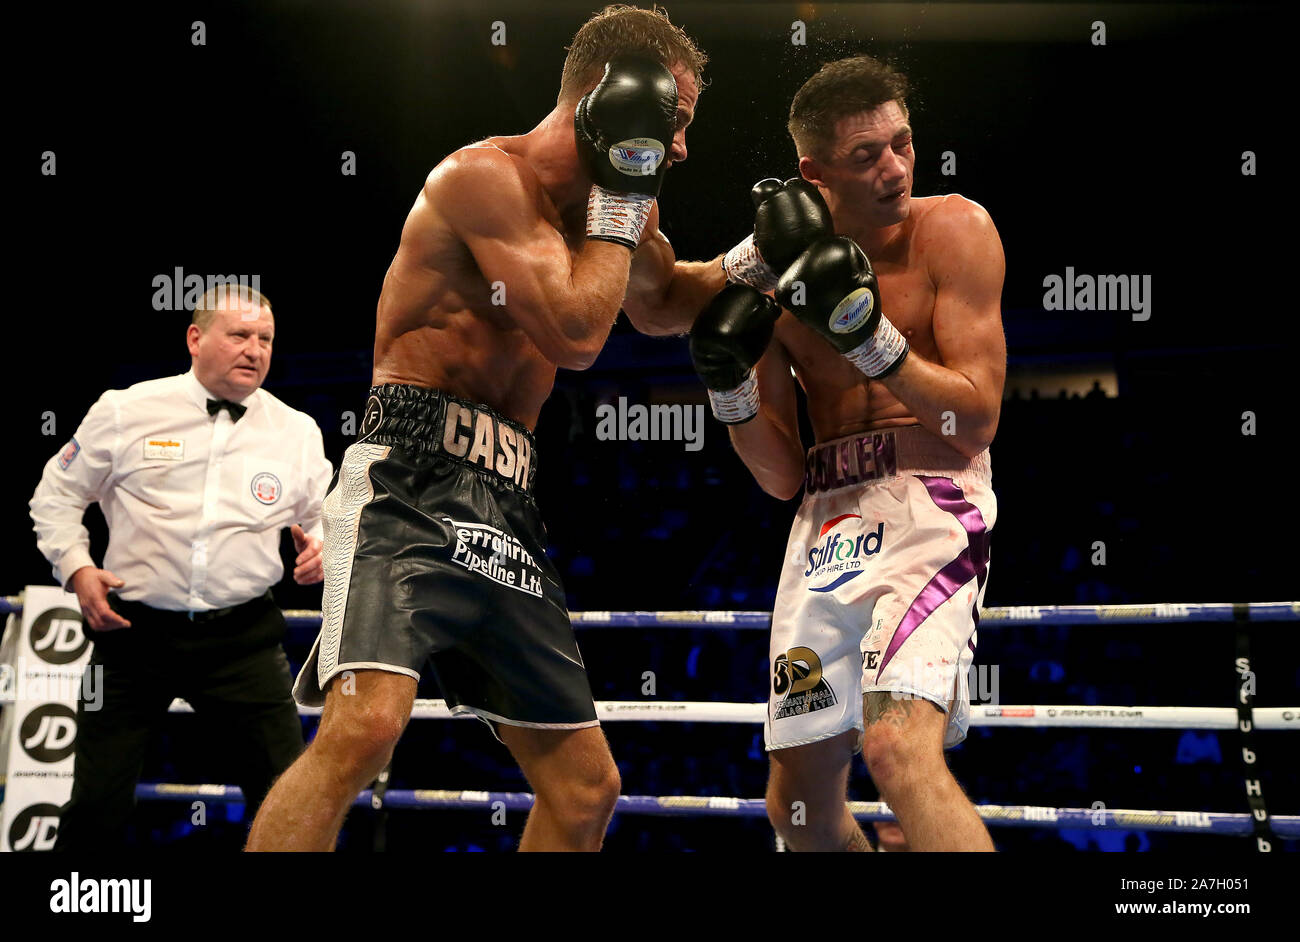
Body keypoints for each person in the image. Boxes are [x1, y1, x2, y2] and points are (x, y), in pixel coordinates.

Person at [245, 5, 715, 852]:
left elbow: (663, 303)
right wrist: (622, 195)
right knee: (365, 728)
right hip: (407, 476)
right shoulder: (482, 178)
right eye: (672, 119)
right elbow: (576, 333)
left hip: (507, 500)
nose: (678, 148)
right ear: (612, 99)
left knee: (585, 789)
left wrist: (769, 263)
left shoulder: (621, 211)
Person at [630, 55, 1006, 851]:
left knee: (897, 748)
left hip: (930, 502)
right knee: (796, 804)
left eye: (903, 143)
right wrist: (729, 390)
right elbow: (779, 476)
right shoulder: (774, 274)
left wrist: (870, 339)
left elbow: (974, 421)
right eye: (866, 155)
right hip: (824, 519)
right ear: (814, 171)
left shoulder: (954, 229)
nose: (894, 168)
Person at [29, 284, 332, 849]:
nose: (254, 350)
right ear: (195, 338)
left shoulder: (296, 431)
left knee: (288, 800)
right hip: (131, 636)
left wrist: (321, 547)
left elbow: (323, 517)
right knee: (95, 803)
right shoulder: (124, 410)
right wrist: (76, 567)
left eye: (265, 339)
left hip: (243, 640)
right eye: (239, 335)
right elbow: (56, 495)